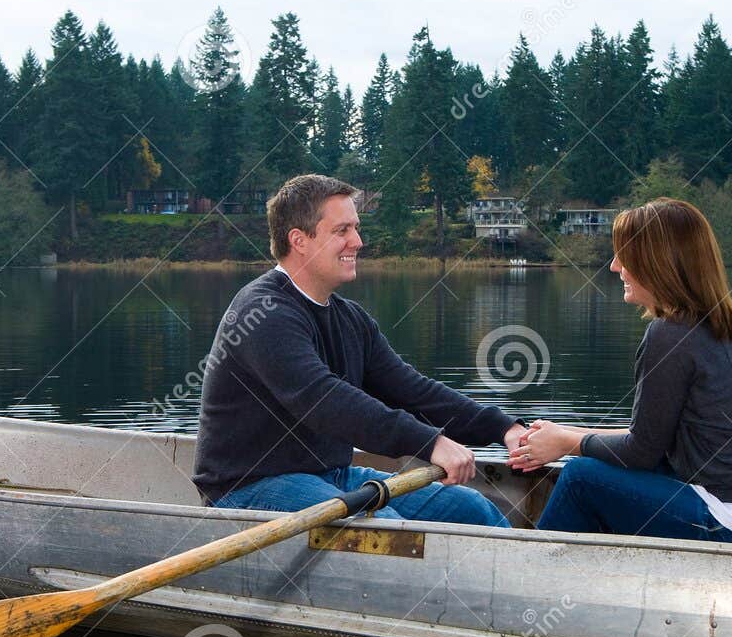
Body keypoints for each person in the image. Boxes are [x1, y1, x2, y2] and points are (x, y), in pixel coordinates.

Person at [193, 174, 526, 525]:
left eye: (356, 228)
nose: (358, 241)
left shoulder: (350, 319)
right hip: (249, 487)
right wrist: (430, 443)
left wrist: (502, 428)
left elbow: (412, 391)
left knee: (474, 509)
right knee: (389, 528)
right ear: (299, 240)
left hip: (332, 475)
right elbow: (324, 401)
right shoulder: (263, 313)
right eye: (342, 231)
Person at [510, 198, 732, 549]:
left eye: (624, 256)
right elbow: (652, 440)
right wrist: (565, 434)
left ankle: (529, 569)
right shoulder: (713, 327)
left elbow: (641, 452)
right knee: (605, 470)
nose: (614, 267)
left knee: (581, 479)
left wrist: (568, 444)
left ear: (657, 263)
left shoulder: (672, 333)